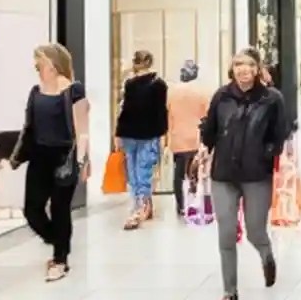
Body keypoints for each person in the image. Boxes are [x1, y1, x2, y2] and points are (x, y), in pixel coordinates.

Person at [200, 50, 287, 300]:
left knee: (254, 230)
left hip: (256, 174)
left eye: (249, 65)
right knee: (226, 231)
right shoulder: (222, 96)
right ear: (232, 68)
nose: (243, 69)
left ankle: (266, 255)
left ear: (257, 69)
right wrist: (204, 146)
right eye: (238, 64)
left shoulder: (272, 99)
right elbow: (210, 130)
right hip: (224, 173)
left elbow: (279, 134)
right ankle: (230, 290)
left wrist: (265, 152)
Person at [10, 43, 90, 282]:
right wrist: (17, 155)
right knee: (32, 210)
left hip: (64, 157)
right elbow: (29, 127)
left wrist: (83, 161)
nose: (37, 69)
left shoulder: (74, 91)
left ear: (53, 65)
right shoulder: (36, 92)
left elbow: (82, 131)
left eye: (40, 64)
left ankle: (60, 260)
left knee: (59, 209)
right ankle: (59, 241)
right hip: (39, 157)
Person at [114, 50, 169, 230]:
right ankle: (142, 205)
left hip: (132, 132)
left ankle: (139, 207)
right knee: (142, 170)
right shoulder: (158, 84)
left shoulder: (131, 84)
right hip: (148, 133)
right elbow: (161, 112)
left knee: (136, 171)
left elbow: (125, 111)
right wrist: (163, 133)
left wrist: (118, 133)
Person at [168, 60, 210, 216]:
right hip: (196, 137)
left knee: (178, 174)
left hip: (178, 137)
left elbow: (169, 116)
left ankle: (180, 205)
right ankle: (194, 200)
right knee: (196, 171)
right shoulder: (201, 92)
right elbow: (207, 116)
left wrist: (167, 138)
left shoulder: (173, 92)